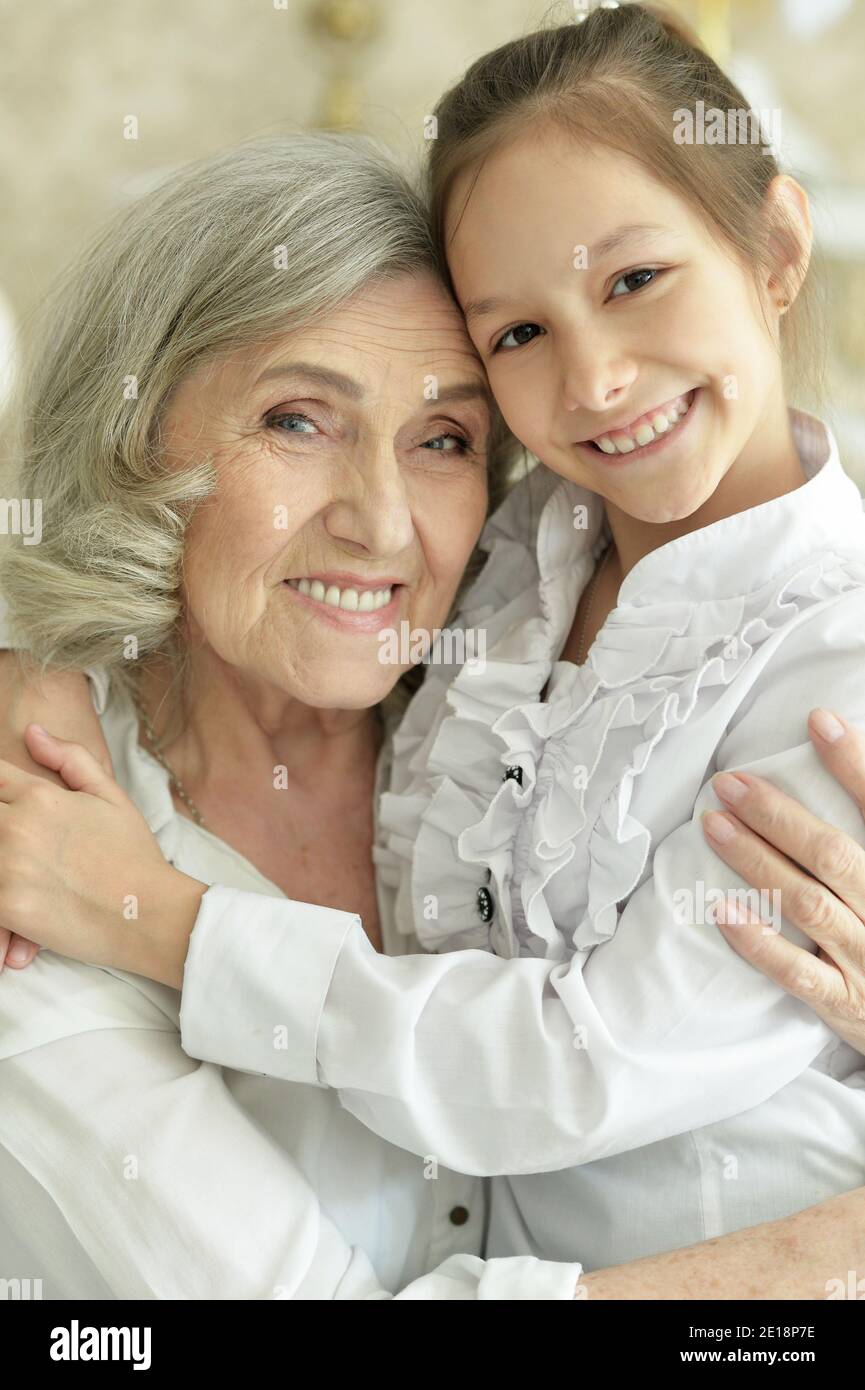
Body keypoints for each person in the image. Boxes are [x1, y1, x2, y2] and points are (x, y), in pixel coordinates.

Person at [2, 14, 865, 1296]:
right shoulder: (47, 845)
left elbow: (602, 1060)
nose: (388, 525)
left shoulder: (488, 660)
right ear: (137, 440)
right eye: (298, 419)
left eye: (445, 439)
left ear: (775, 249)